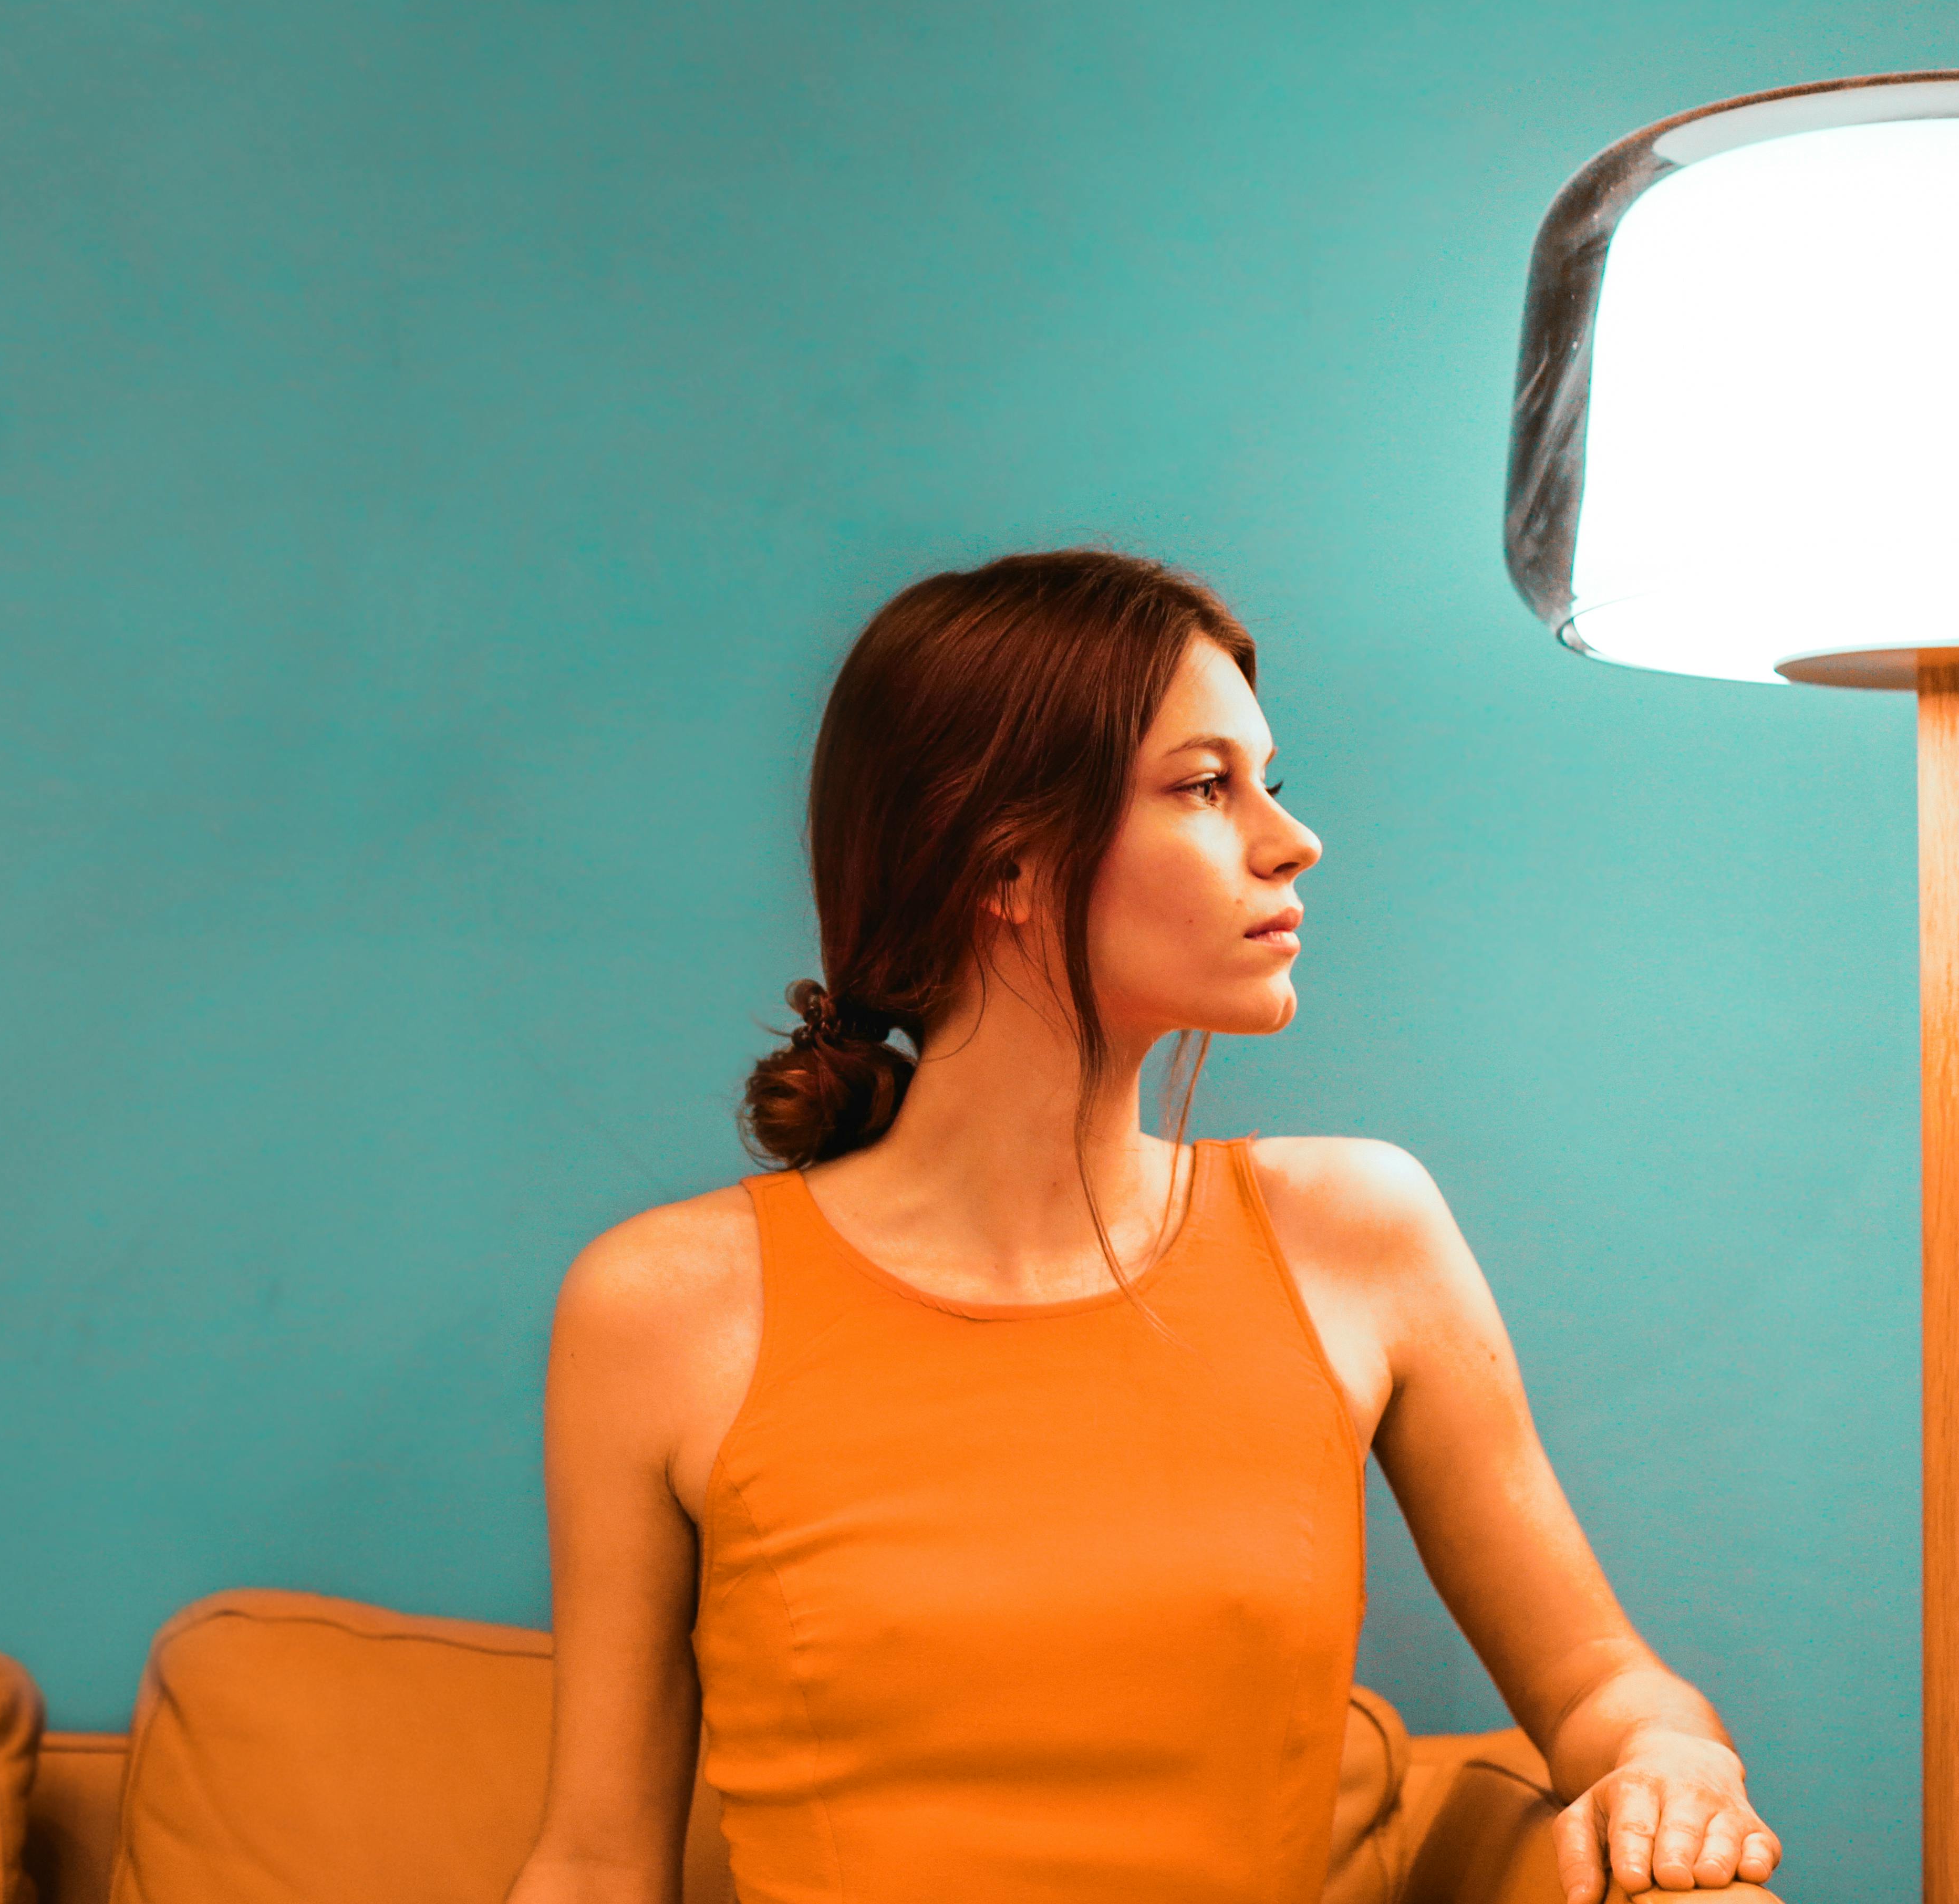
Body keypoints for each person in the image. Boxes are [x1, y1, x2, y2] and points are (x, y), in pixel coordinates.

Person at [506, 549, 1784, 1904]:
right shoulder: (664, 1308)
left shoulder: (1355, 1232)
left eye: (1267, 782)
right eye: (1204, 785)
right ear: (1003, 858)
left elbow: (1603, 1685)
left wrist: (1670, 1761)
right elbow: (596, 1865)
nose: (1292, 840)